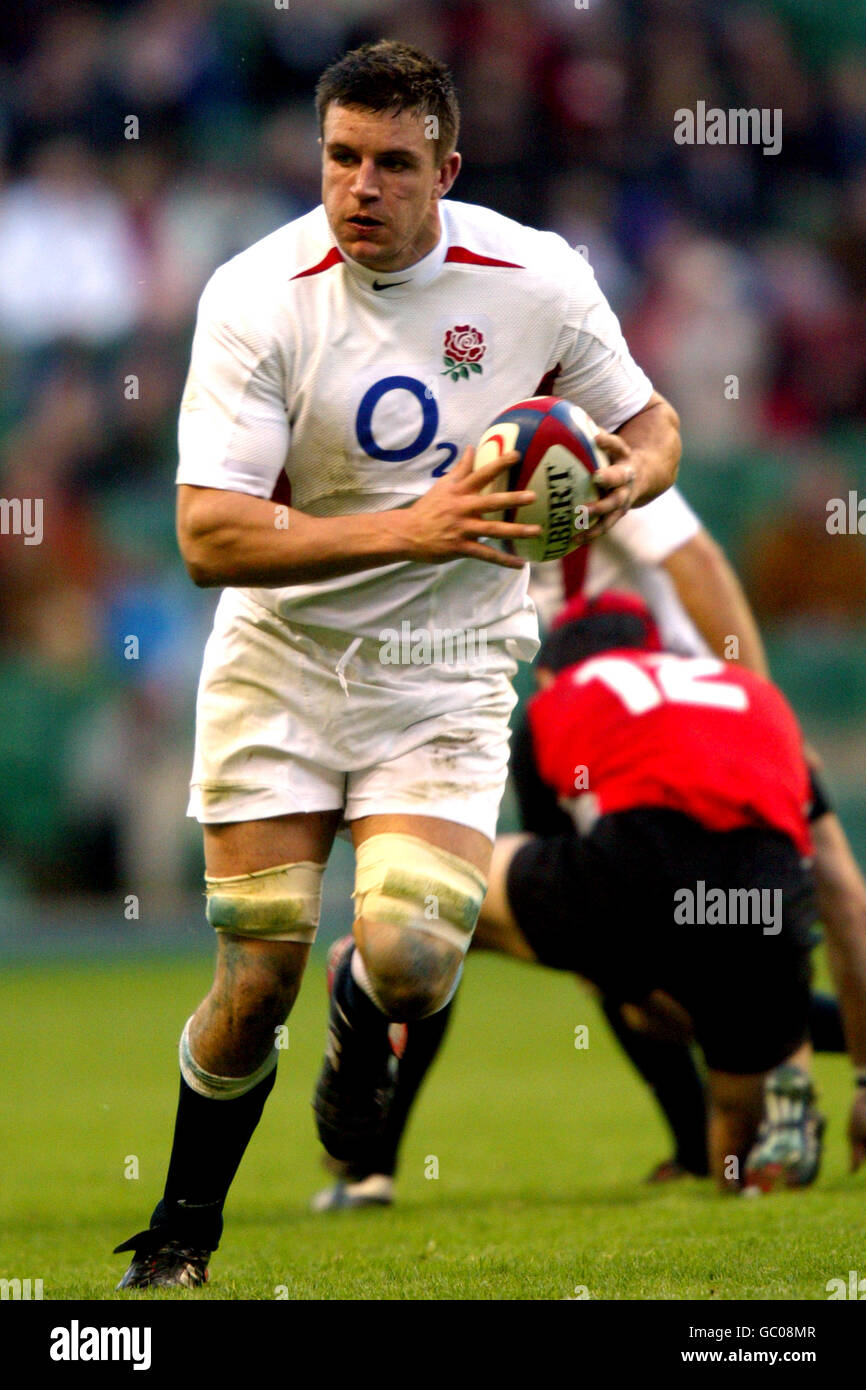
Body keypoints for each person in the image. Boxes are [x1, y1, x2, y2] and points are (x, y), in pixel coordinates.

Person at [112, 40, 680, 1289]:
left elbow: (650, 422)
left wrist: (620, 479)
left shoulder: (537, 277)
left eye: (391, 164)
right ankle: (180, 1234)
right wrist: (410, 526)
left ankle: (361, 1013)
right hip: (284, 662)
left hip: (447, 663)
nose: (359, 187)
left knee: (417, 959)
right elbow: (208, 536)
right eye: (339, 158)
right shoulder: (255, 295)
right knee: (253, 977)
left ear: (447, 172)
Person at [312, 492, 866, 1207]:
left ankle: (369, 1163)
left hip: (635, 855)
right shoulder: (754, 701)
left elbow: (568, 879)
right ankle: (773, 1089)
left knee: (438, 901)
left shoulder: (557, 699)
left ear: (550, 672)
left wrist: (619, 980)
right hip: (763, 879)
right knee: (738, 1128)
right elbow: (846, 899)